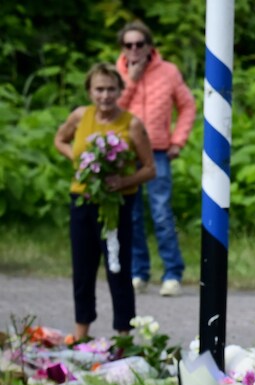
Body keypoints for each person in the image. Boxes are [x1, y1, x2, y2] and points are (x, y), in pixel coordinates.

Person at [54, 63, 155, 340]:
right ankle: (81, 332)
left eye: (111, 89)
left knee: (118, 268)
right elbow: (60, 140)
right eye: (99, 89)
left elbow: (149, 168)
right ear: (89, 91)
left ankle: (124, 335)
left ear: (120, 91)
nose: (105, 96)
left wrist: (122, 182)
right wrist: (78, 158)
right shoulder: (79, 116)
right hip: (83, 200)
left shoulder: (132, 124)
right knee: (83, 268)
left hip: (117, 204)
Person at [115, 20, 195, 298]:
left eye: (140, 44)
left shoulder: (168, 72)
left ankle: (172, 274)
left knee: (161, 213)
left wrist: (178, 141)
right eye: (128, 45)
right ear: (123, 48)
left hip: (159, 151)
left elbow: (187, 106)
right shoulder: (118, 73)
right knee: (132, 215)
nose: (134, 49)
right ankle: (139, 272)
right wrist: (131, 81)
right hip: (126, 152)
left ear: (149, 47)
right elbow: (113, 110)